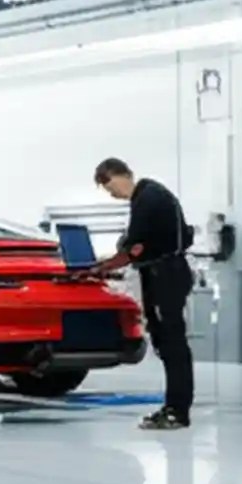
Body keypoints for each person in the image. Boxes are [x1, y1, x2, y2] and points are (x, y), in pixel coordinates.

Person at [89, 158, 195, 430]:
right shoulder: (150, 195)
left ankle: (177, 411)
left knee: (171, 343)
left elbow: (132, 249)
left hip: (165, 275)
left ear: (120, 175)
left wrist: (102, 267)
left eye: (110, 187)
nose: (112, 194)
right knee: (167, 342)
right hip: (165, 272)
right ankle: (174, 407)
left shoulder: (148, 198)